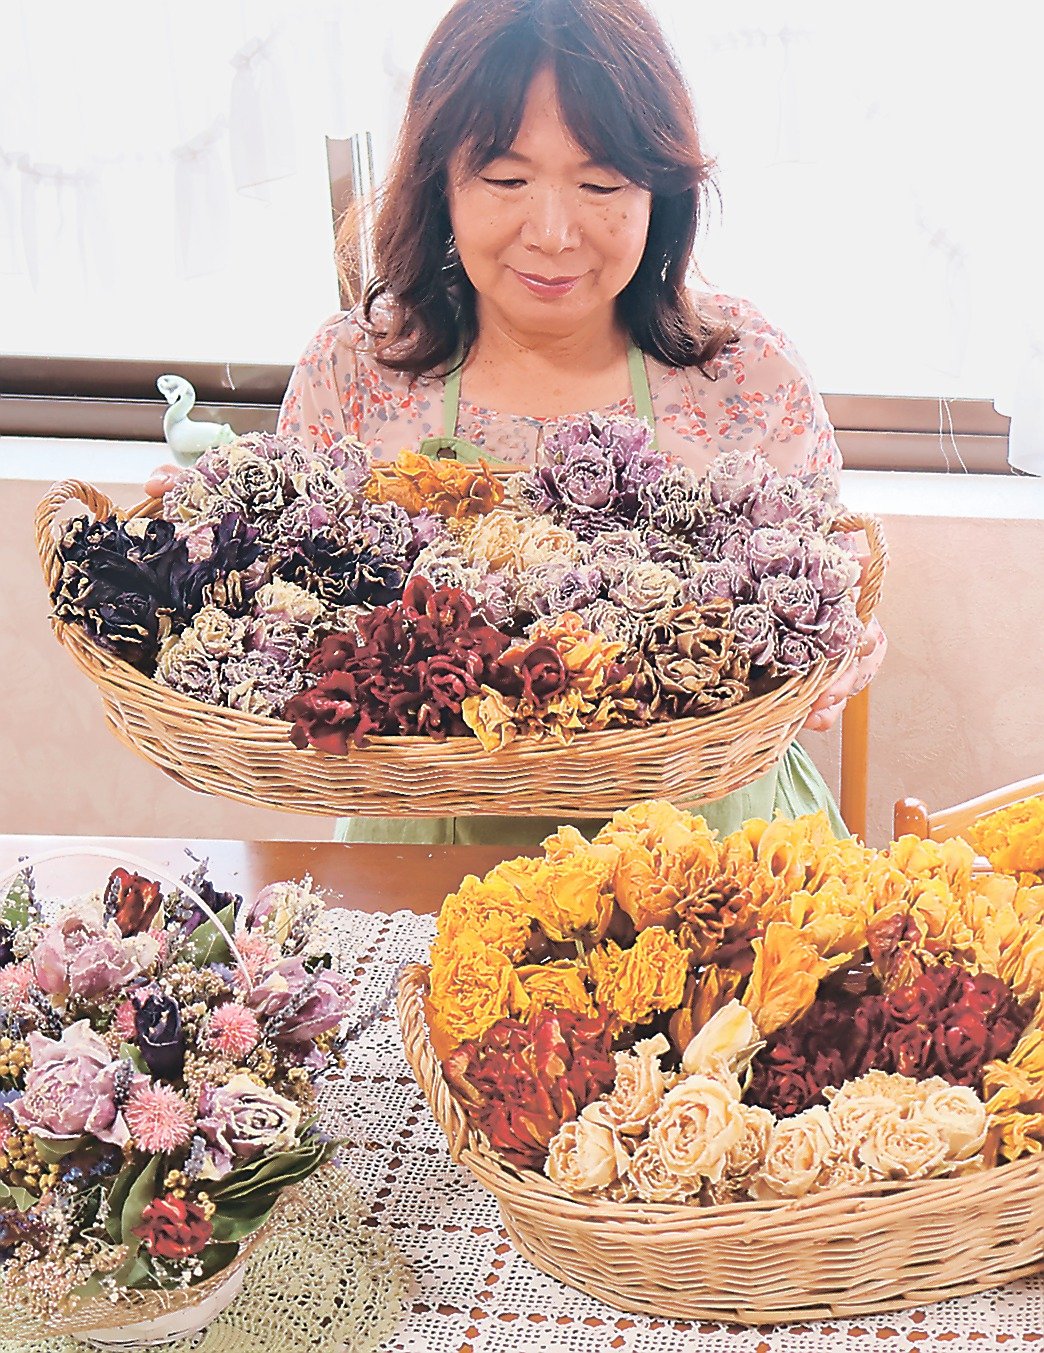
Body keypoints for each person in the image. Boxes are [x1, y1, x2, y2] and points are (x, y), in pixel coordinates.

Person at [149, 0, 886, 846]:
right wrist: (209, 548)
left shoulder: (743, 370)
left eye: (601, 183)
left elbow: (832, 583)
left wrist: (846, 646)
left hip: (711, 847)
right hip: (427, 853)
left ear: (662, 189)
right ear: (440, 182)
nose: (553, 232)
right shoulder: (356, 369)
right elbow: (295, 622)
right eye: (506, 179)